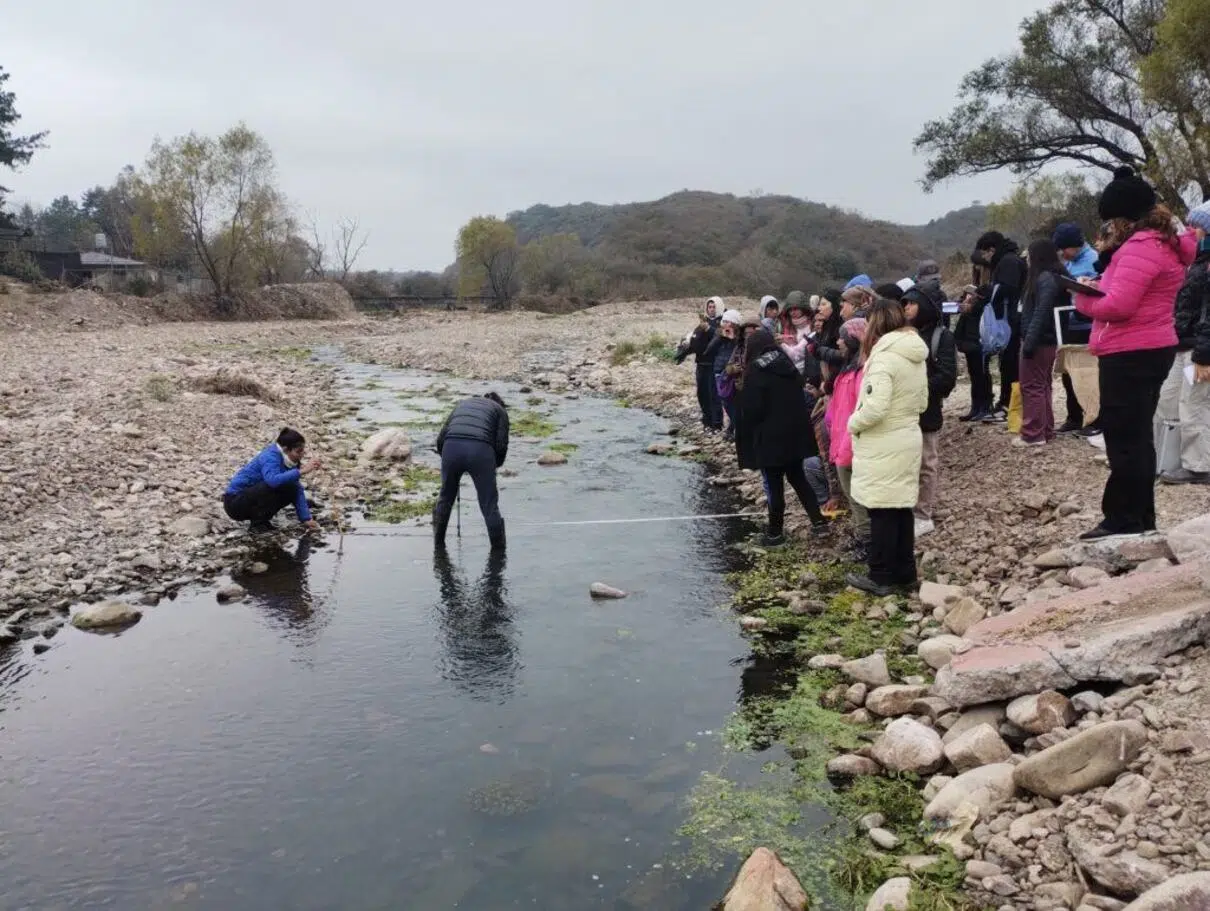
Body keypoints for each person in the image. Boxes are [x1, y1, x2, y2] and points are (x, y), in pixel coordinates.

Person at [1071, 166, 1197, 540]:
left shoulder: (1142, 247)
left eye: (1112, 219)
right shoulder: (1163, 243)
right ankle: (1141, 518)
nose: (1110, 227)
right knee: (1138, 436)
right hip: (1150, 347)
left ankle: (1122, 519)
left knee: (1125, 439)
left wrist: (1082, 298)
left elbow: (1119, 306)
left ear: (1126, 217)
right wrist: (1098, 285)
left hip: (1131, 351)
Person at [846, 300, 929, 596]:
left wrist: (852, 422)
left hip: (884, 440)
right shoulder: (914, 355)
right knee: (901, 507)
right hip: (908, 434)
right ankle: (905, 573)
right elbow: (922, 403)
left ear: (876, 324)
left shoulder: (883, 359)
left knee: (880, 509)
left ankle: (880, 575)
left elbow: (876, 408)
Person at [734, 328, 829, 545]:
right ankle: (819, 523)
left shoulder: (756, 371)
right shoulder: (785, 364)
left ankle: (775, 533)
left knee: (774, 485)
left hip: (770, 438)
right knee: (799, 480)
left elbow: (753, 410)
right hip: (795, 436)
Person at [1159, 201, 1210, 485]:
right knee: (1169, 400)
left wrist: (1204, 354)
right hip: (1184, 344)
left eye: (1198, 226)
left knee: (1194, 405)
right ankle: (1170, 457)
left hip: (1199, 349)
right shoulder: (1198, 263)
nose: (1193, 231)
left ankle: (1199, 465)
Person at [902, 283, 957, 536]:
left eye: (911, 303)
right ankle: (907, 508)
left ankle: (923, 513)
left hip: (927, 411)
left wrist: (915, 388)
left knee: (926, 462)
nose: (906, 308)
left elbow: (947, 377)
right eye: (904, 304)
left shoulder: (941, 336)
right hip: (904, 412)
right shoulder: (902, 335)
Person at [434, 392, 510, 549]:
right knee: (489, 505)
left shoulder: (462, 404)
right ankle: (499, 555)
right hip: (480, 450)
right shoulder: (500, 411)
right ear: (500, 403)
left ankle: (438, 546)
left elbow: (441, 438)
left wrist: (447, 460)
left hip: (451, 446)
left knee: (445, 497)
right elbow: (501, 446)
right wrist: (493, 466)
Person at [1016, 239, 1068, 447]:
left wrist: (1029, 342)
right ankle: (1045, 429)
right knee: (1043, 385)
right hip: (1046, 340)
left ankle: (1033, 433)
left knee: (1032, 386)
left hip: (1039, 341)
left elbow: (1041, 312)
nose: (1027, 260)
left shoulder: (1044, 279)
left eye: (1029, 256)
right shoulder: (1053, 276)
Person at [972, 231, 1027, 422]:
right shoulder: (1009, 260)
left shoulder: (1008, 262)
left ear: (992, 249)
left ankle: (1008, 405)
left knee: (1010, 364)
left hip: (1009, 320)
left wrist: (986, 290)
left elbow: (1008, 288)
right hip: (1010, 318)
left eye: (986, 254)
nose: (986, 258)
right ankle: (1007, 404)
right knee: (1007, 363)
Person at [224, 428, 322, 533]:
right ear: (285, 449)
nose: (302, 454)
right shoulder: (270, 456)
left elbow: (296, 488)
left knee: (291, 487)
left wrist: (306, 519)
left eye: (303, 450)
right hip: (235, 503)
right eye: (299, 451)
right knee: (271, 486)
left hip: (250, 498)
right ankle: (257, 524)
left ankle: (263, 521)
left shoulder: (291, 460)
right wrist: (302, 471)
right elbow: (272, 481)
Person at [827, 317, 870, 557]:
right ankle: (862, 534)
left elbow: (859, 409)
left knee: (856, 494)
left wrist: (846, 440)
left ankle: (867, 541)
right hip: (841, 437)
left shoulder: (861, 370)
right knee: (850, 492)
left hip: (850, 440)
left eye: (843, 337)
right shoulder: (848, 366)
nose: (838, 341)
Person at [1053, 223, 1099, 433]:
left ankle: (1093, 419)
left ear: (1074, 245)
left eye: (1064, 249)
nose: (1062, 253)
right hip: (1069, 323)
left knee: (1087, 374)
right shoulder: (1069, 263)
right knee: (1068, 371)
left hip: (1087, 324)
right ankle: (1073, 417)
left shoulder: (1094, 260)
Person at [675, 296, 724, 431]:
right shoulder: (702, 323)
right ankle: (706, 421)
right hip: (701, 364)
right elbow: (694, 341)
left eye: (714, 307)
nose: (712, 309)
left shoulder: (723, 322)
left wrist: (708, 328)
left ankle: (717, 424)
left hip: (714, 364)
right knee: (702, 394)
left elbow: (720, 336)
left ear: (719, 307)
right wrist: (684, 349)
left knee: (714, 395)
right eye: (709, 307)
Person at [954, 284, 994, 421]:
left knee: (981, 377)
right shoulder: (970, 308)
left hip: (979, 344)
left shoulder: (981, 306)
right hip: (971, 344)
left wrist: (968, 303)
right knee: (976, 377)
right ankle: (976, 407)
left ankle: (984, 407)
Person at [704, 309, 742, 441]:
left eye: (728, 322)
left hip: (733, 371)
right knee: (725, 400)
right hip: (719, 371)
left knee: (734, 402)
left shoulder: (740, 336)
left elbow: (741, 350)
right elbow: (708, 351)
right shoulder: (719, 334)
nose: (725, 324)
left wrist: (733, 339)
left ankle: (734, 428)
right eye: (724, 321)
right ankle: (733, 427)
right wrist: (720, 337)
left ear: (735, 323)